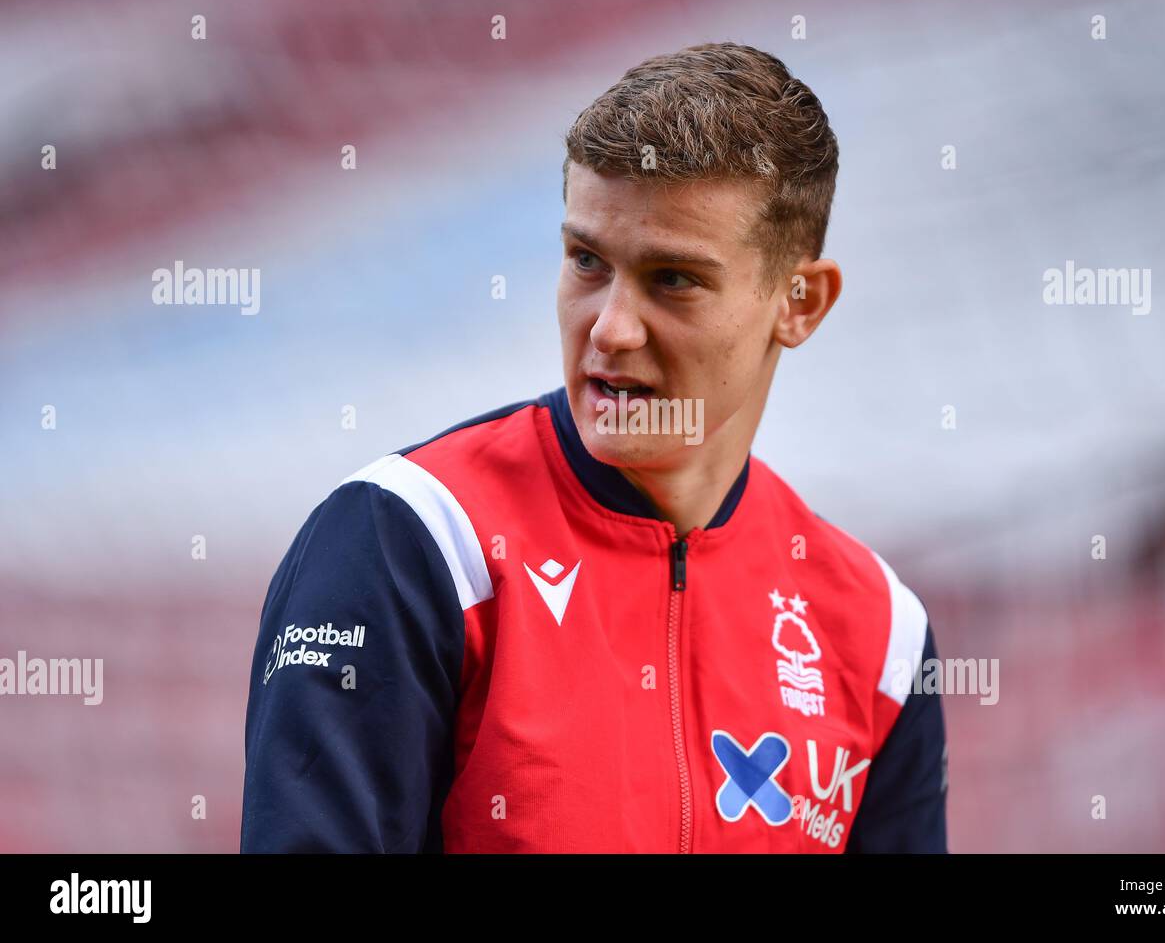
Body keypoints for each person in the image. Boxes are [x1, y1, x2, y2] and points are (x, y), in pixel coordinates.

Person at [241, 41, 947, 853]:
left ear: (800, 302)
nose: (610, 329)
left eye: (673, 279)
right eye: (587, 261)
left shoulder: (878, 633)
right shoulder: (412, 541)